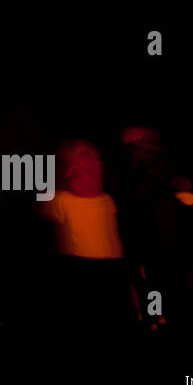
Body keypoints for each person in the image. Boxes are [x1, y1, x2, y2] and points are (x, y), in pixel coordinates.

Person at [41, 140, 133, 341]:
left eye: (95, 155)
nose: (93, 159)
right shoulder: (60, 200)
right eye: (84, 154)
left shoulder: (109, 201)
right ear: (70, 166)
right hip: (79, 275)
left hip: (114, 274)